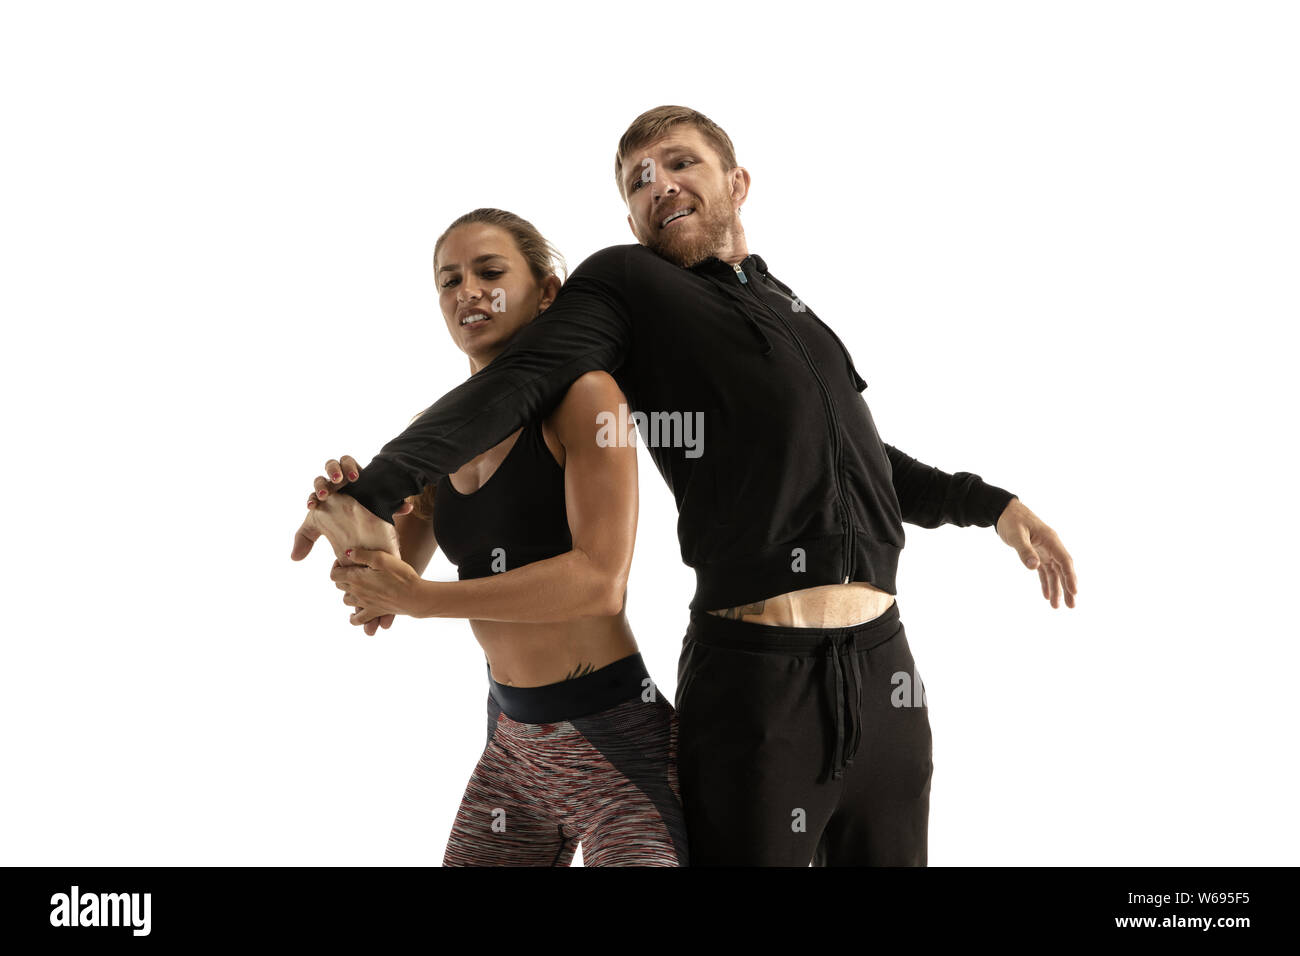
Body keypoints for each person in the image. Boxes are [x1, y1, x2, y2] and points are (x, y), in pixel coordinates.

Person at [296, 106, 1078, 866]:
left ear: (738, 182)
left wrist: (994, 506)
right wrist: (378, 490)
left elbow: (864, 460)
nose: (658, 184)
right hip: (755, 680)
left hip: (885, 668)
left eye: (679, 163)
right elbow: (521, 378)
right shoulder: (628, 287)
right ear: (632, 219)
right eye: (637, 180)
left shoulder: (795, 312)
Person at [301, 208, 686, 866]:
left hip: (619, 752)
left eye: (490, 271)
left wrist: (425, 599)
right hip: (511, 748)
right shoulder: (436, 430)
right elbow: (388, 587)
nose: (467, 291)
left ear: (547, 292)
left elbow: (599, 583)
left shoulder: (589, 398)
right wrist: (355, 520)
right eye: (448, 280)